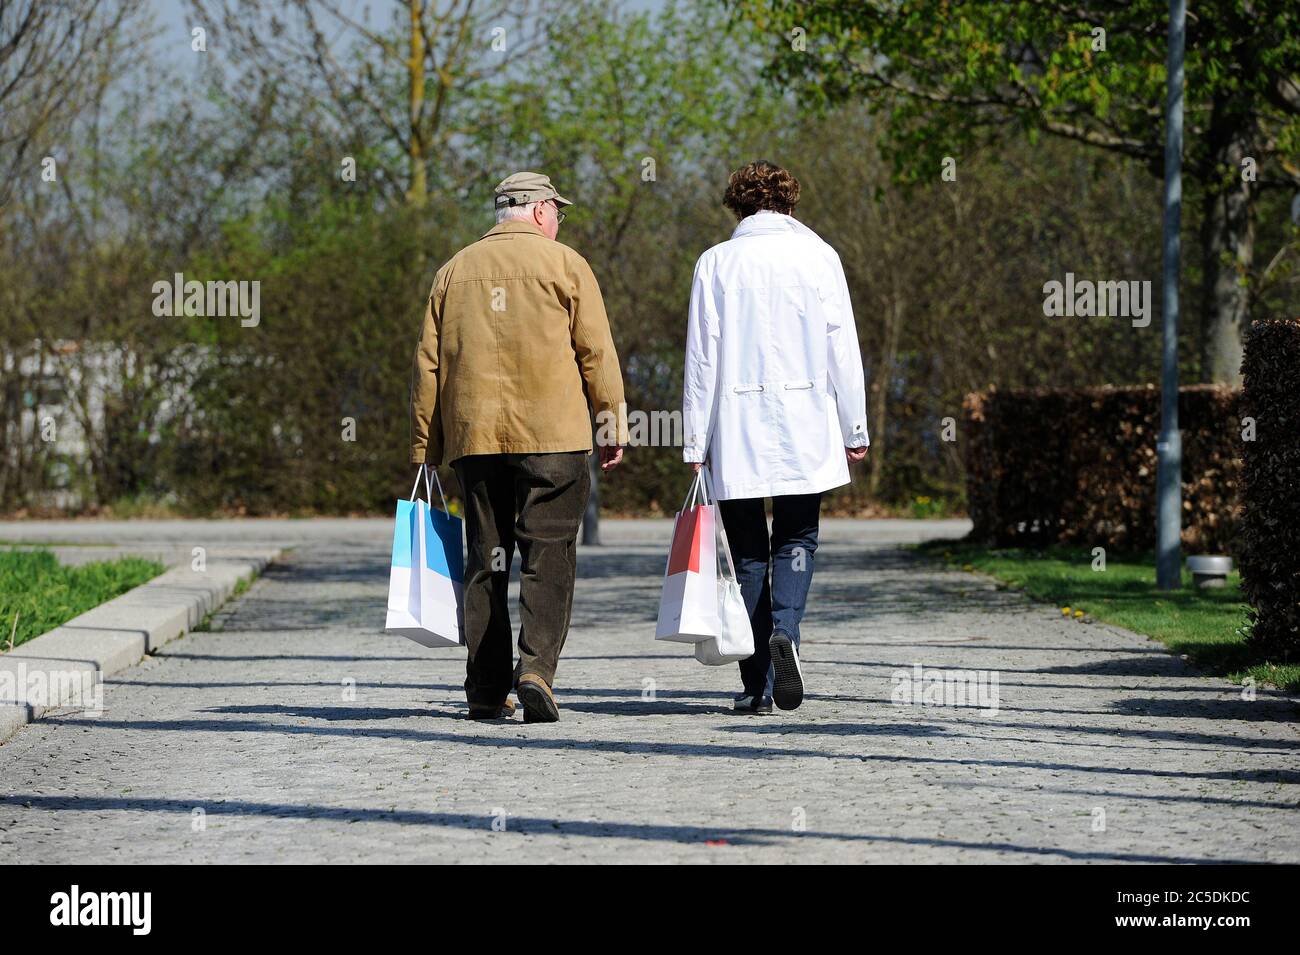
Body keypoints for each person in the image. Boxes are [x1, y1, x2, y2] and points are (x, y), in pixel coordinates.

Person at [409, 171, 627, 723]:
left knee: (485, 557)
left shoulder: (453, 272)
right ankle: (535, 671)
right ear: (537, 209)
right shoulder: (566, 265)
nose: (559, 221)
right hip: (553, 436)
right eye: (557, 210)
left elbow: (427, 370)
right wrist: (612, 426)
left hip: (474, 439)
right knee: (548, 553)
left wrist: (424, 450)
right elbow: (596, 354)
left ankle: (484, 690)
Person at [682, 160, 869, 714]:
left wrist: (695, 439)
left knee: (745, 552)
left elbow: (701, 358)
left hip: (736, 426)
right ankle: (785, 630)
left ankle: (757, 684)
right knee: (796, 538)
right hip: (806, 419)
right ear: (790, 204)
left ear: (736, 206)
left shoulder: (714, 263)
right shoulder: (820, 257)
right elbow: (843, 348)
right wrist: (854, 425)